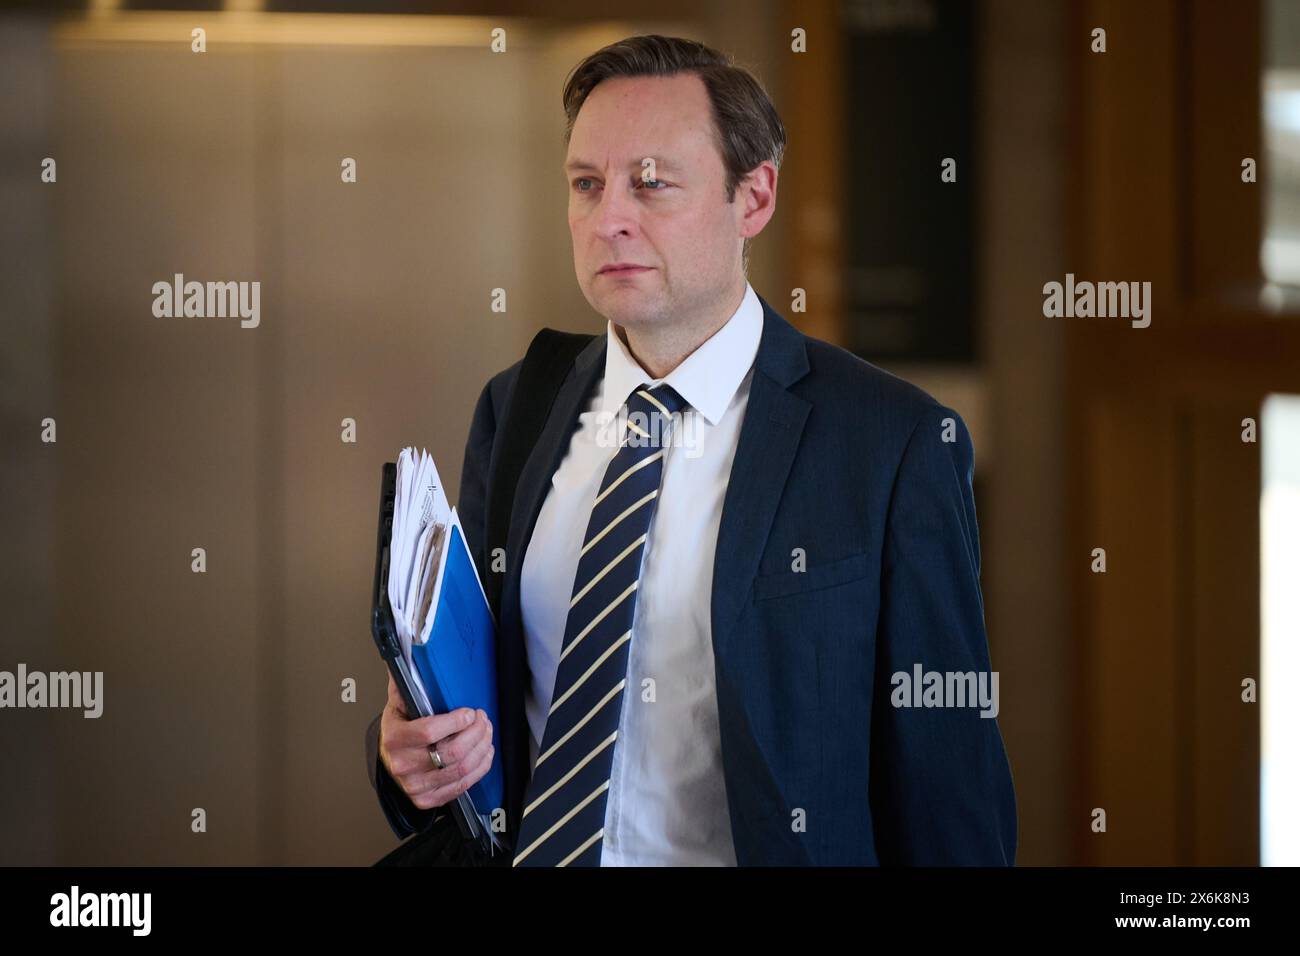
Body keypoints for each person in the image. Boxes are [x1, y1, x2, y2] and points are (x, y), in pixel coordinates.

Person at [365, 33, 1017, 866]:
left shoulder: (890, 444)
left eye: (652, 183)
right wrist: (415, 752)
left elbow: (949, 796)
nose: (610, 219)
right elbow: (470, 705)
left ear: (753, 198)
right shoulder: (518, 404)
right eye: (587, 185)